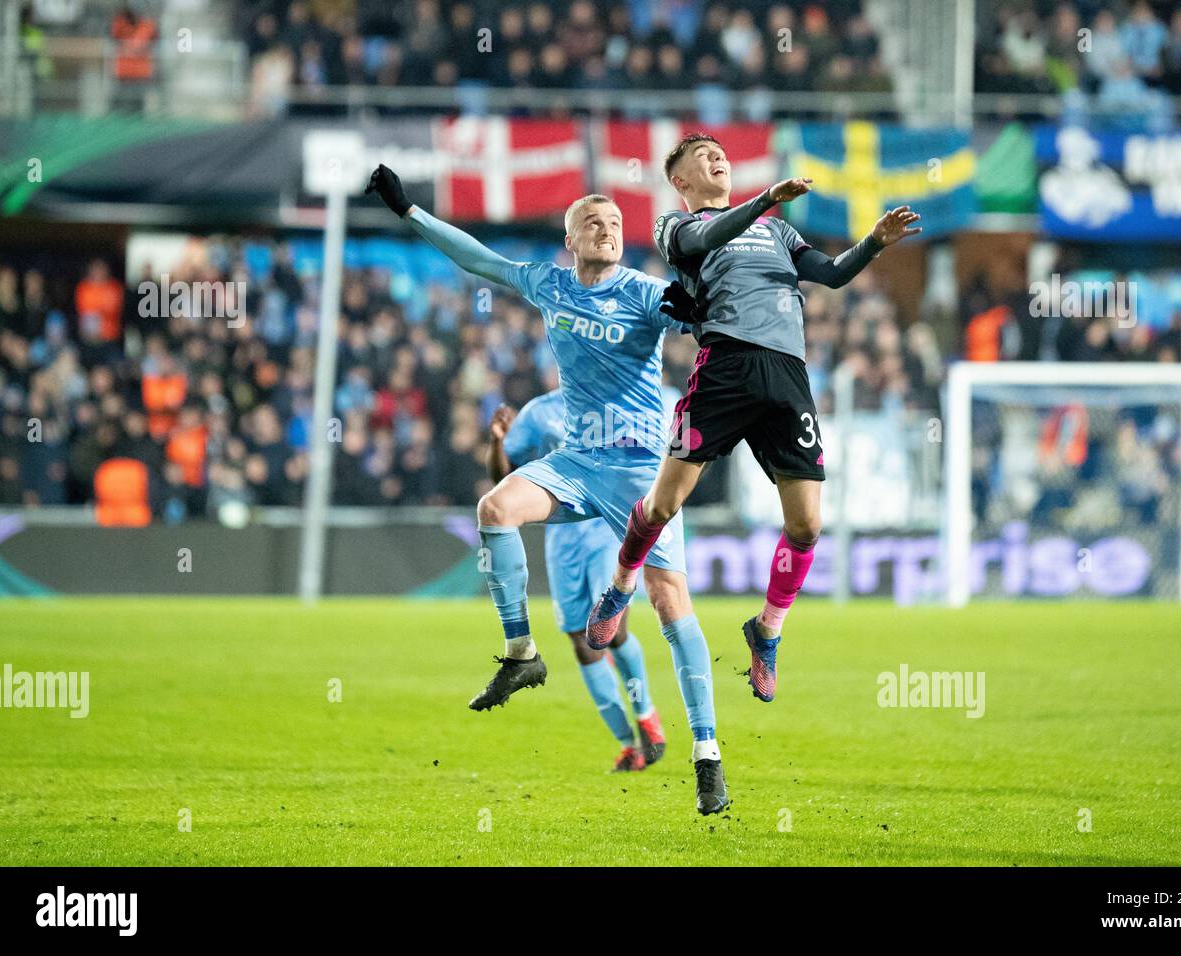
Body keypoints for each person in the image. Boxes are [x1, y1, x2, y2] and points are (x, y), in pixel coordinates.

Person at [366, 163, 732, 813]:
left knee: (672, 603)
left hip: (640, 469)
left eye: (616, 222)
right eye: (592, 222)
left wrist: (698, 307)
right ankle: (520, 654)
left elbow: (692, 311)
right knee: (496, 506)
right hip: (577, 461)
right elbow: (477, 258)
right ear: (570, 239)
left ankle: (706, 754)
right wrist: (409, 213)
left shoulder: (644, 293)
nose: (607, 229)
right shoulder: (550, 284)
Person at [586, 133, 922, 704]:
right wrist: (765, 198)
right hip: (725, 369)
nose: (717, 159)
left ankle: (766, 630)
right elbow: (715, 231)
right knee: (664, 505)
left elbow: (834, 273)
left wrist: (873, 242)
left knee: (807, 526)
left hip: (788, 378)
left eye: (720, 153)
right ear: (682, 182)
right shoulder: (677, 227)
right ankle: (620, 588)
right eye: (703, 157)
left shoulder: (778, 231)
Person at [487, 391, 665, 772]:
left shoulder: (618, 397)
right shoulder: (539, 412)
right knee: (581, 644)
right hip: (563, 540)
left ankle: (647, 717)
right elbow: (503, 481)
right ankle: (628, 746)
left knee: (612, 632)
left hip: (608, 529)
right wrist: (498, 441)